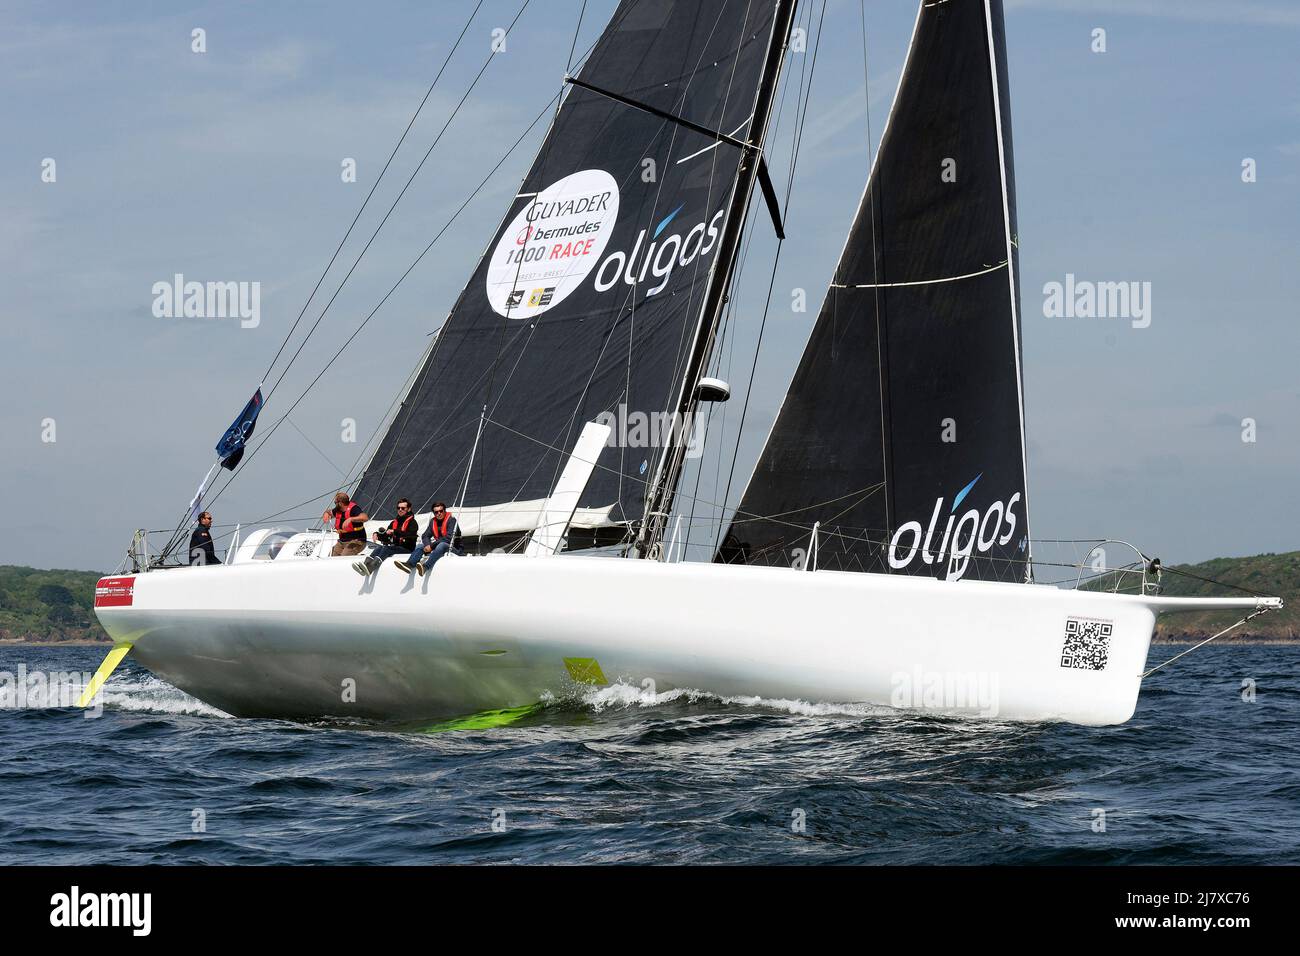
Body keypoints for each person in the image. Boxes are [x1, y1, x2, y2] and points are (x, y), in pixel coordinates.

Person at [353, 498, 419, 576]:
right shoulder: (394, 522)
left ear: (408, 509)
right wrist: (377, 535)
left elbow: (411, 535)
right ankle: (364, 566)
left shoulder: (413, 523)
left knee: (386, 548)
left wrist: (395, 531)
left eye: (403, 508)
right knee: (379, 548)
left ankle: (370, 568)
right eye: (398, 508)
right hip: (395, 547)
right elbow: (386, 537)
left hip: (407, 549)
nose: (400, 510)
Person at [396, 501, 462, 576]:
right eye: (436, 512)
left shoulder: (452, 520)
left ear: (444, 511)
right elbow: (425, 535)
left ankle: (425, 567)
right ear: (434, 513)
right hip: (438, 547)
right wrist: (427, 545)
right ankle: (409, 564)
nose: (439, 513)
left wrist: (431, 546)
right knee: (421, 546)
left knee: (442, 545)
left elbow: (448, 538)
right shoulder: (432, 522)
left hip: (454, 548)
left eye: (441, 511)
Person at [323, 492, 369, 557]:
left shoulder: (354, 509)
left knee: (344, 556)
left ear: (340, 503)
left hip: (357, 541)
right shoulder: (338, 510)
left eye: (335, 502)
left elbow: (365, 517)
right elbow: (329, 512)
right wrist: (326, 514)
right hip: (342, 541)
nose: (335, 504)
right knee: (331, 556)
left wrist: (351, 519)